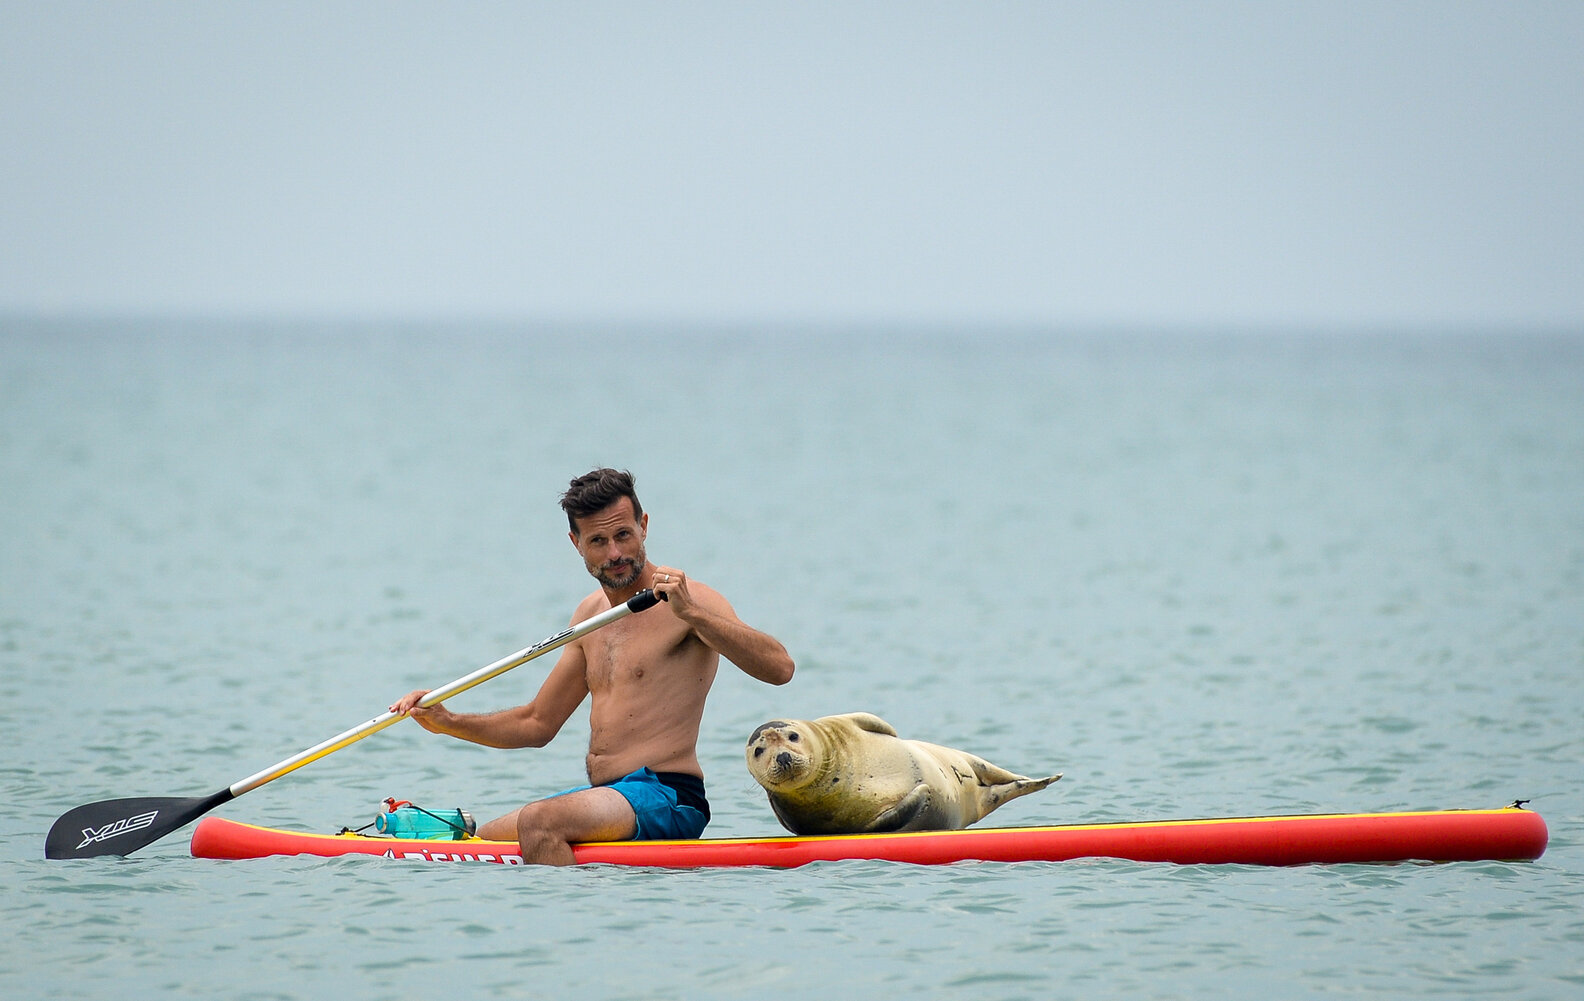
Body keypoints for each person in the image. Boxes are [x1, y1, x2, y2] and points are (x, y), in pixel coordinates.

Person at [389, 468, 795, 864]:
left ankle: (572, 929)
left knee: (539, 822)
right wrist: (446, 720)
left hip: (668, 796)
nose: (615, 553)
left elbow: (780, 669)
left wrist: (694, 615)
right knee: (473, 840)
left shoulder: (689, 600)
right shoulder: (589, 616)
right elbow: (536, 723)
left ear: (644, 526)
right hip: (610, 797)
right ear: (576, 543)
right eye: (598, 540)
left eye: (623, 535)